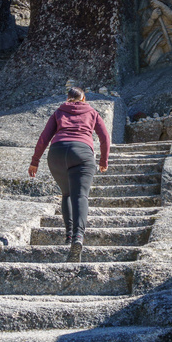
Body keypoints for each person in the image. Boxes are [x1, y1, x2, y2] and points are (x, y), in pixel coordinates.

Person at [28, 87, 110, 262]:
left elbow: (44, 137)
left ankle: (69, 237)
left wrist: (35, 161)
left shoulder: (59, 112)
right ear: (84, 98)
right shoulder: (92, 112)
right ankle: (78, 237)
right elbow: (104, 137)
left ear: (68, 98)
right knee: (80, 196)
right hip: (81, 153)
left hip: (57, 153)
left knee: (66, 194)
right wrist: (103, 161)